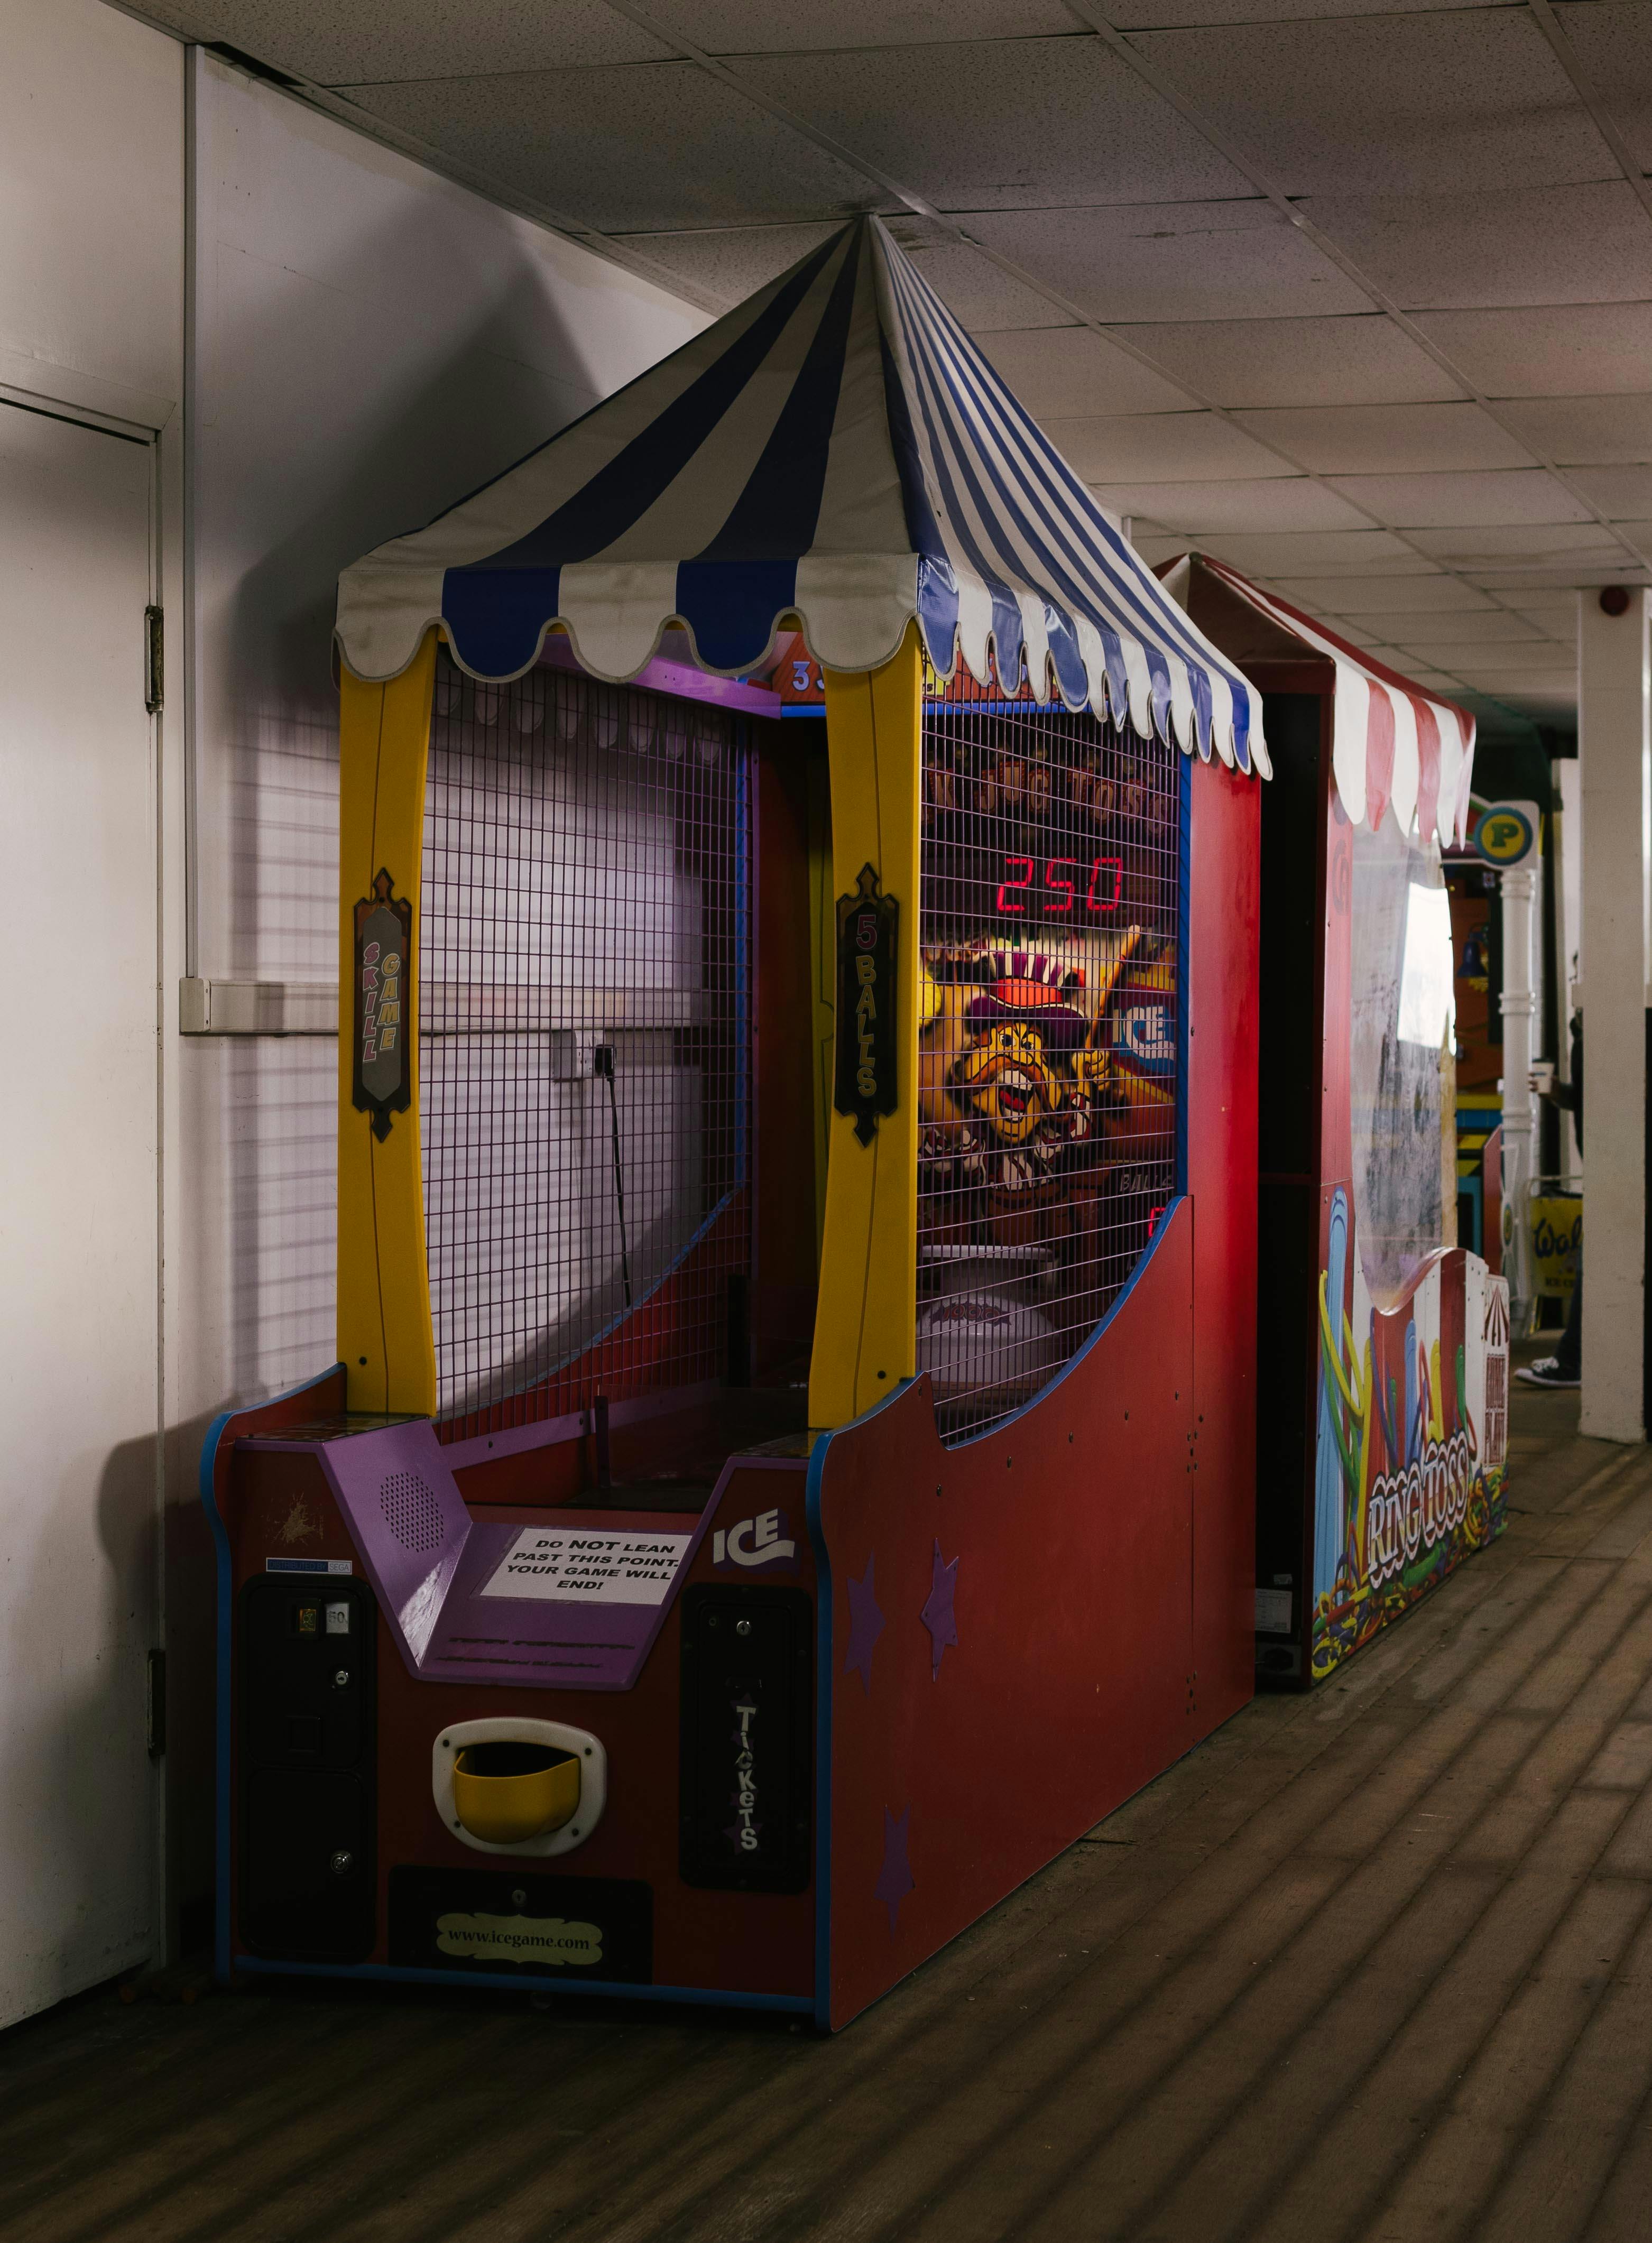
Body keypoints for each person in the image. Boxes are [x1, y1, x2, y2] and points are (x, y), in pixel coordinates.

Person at [1517, 1006, 1582, 1390]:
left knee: (1592, 1266)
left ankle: (1571, 1360)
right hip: (1606, 1158)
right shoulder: (1583, 1028)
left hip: (1617, 1160)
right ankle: (1572, 1357)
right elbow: (1589, 1095)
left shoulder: (1606, 1020)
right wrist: (1557, 1092)